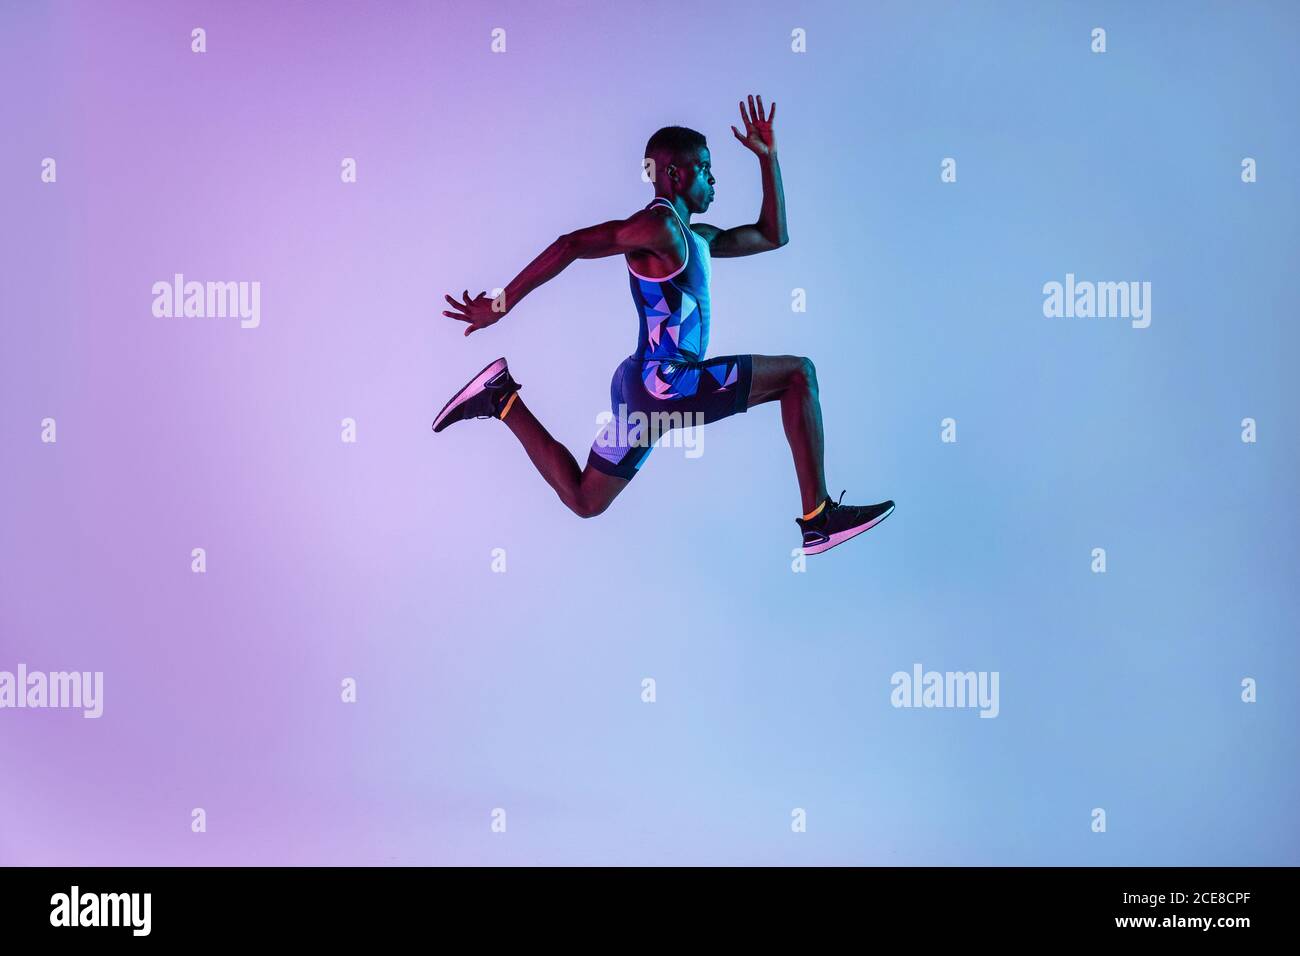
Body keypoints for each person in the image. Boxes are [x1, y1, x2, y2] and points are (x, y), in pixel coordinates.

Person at [434, 94, 893, 555]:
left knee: (585, 499)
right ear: (674, 173)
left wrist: (768, 159)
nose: (714, 179)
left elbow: (774, 235)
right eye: (705, 168)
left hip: (643, 388)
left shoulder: (699, 238)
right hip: (666, 384)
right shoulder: (660, 227)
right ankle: (818, 518)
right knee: (799, 375)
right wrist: (500, 304)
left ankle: (502, 399)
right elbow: (571, 243)